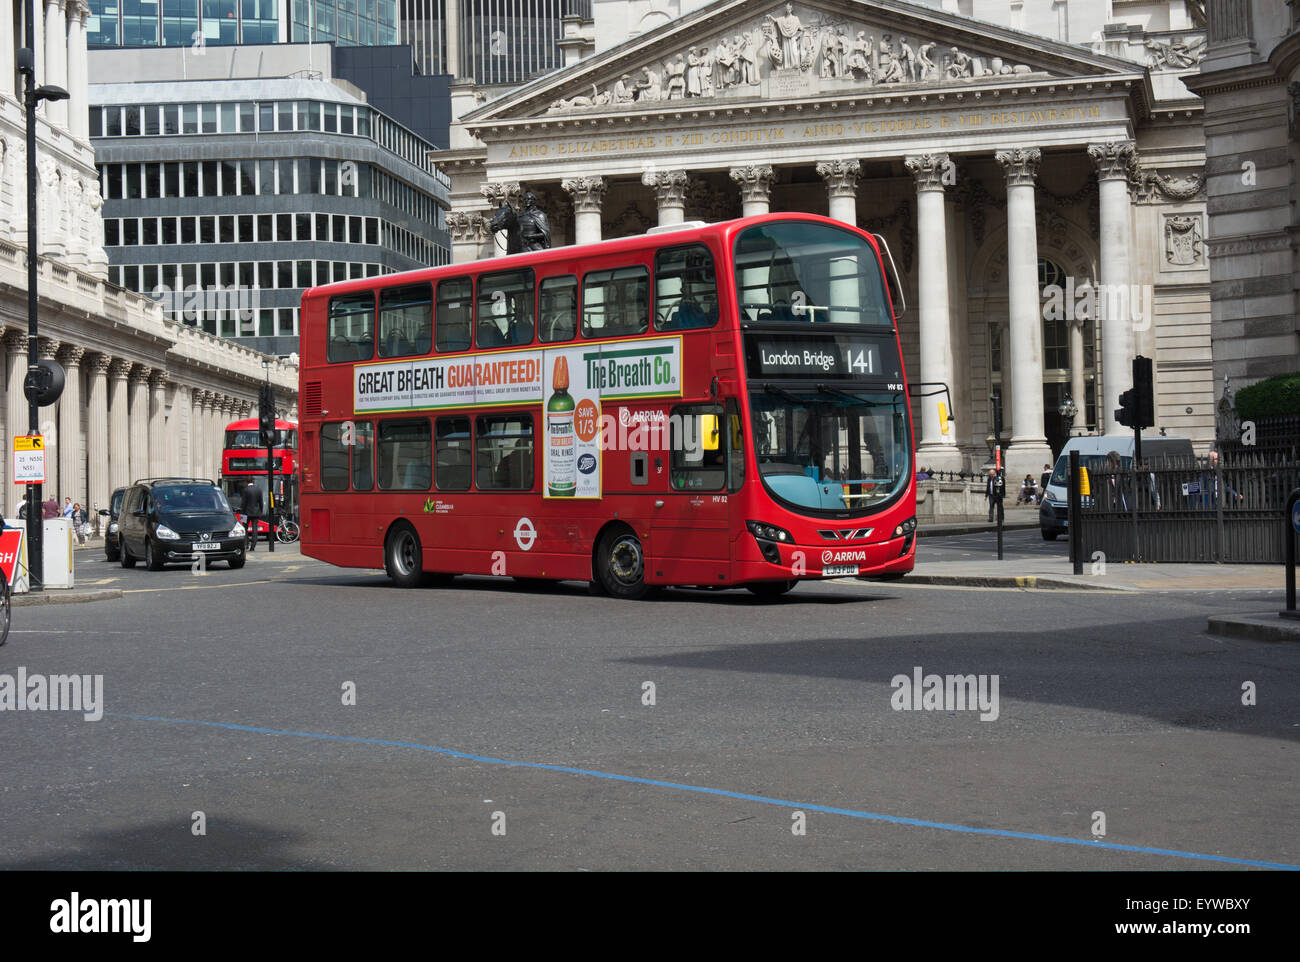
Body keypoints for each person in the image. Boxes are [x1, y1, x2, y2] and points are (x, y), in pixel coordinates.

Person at [239, 480, 264, 552]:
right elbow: (261, 502)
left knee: (245, 528)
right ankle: (253, 546)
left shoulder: (245, 490)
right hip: (256, 513)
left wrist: (241, 513)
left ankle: (246, 544)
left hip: (246, 513)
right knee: (255, 529)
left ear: (247, 483)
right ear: (253, 482)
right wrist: (260, 511)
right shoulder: (258, 490)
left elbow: (243, 503)